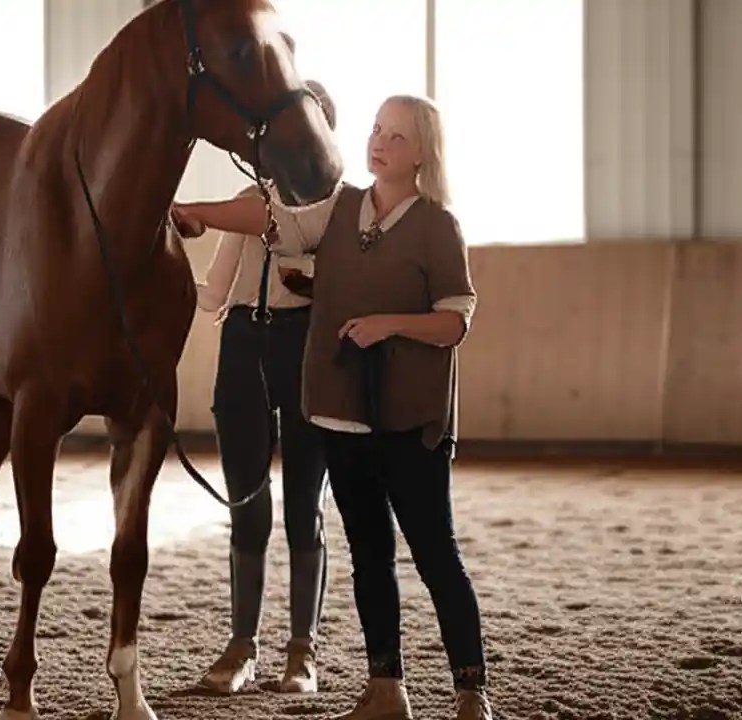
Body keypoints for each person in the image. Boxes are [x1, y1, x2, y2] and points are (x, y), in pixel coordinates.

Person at [172, 94, 493, 720]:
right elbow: (273, 219)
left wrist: (386, 325)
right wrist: (189, 213)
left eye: (397, 136)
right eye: (377, 130)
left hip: (410, 416)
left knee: (434, 554)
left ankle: (471, 690)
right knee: (371, 555)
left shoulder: (437, 225)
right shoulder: (343, 209)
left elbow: (456, 321)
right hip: (343, 409)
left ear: (423, 152)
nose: (380, 142)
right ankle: (385, 689)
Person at [193, 81, 337, 696]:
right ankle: (242, 644)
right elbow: (213, 294)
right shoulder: (245, 203)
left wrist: (193, 209)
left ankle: (302, 650)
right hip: (244, 349)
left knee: (304, 509)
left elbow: (273, 221)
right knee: (248, 508)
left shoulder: (336, 204)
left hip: (306, 350)